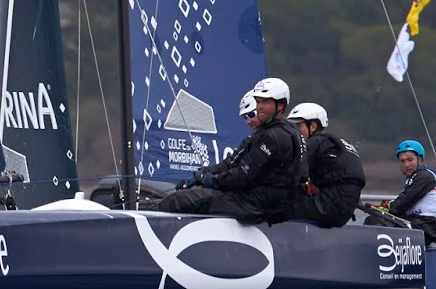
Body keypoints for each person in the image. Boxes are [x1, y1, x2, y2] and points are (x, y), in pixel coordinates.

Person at [145, 77, 304, 223]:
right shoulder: (289, 130)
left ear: (280, 105)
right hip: (268, 203)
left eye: (265, 102)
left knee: (179, 200)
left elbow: (242, 176)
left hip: (254, 205)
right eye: (258, 102)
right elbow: (232, 163)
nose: (260, 107)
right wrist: (203, 175)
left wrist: (212, 181)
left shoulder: (271, 136)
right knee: (193, 195)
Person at [286, 103, 366, 228]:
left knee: (281, 208)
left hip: (331, 205)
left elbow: (289, 169)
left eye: (298, 126)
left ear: (313, 126)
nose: (294, 132)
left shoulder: (315, 142)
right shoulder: (333, 143)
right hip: (343, 207)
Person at [366, 140, 436, 242]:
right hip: (422, 225)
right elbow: (402, 205)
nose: (406, 164)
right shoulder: (420, 176)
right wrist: (380, 208)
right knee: (374, 220)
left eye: (410, 160)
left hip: (426, 229)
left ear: (420, 159)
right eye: (402, 161)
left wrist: (380, 208)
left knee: (373, 223)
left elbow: (399, 206)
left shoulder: (425, 176)